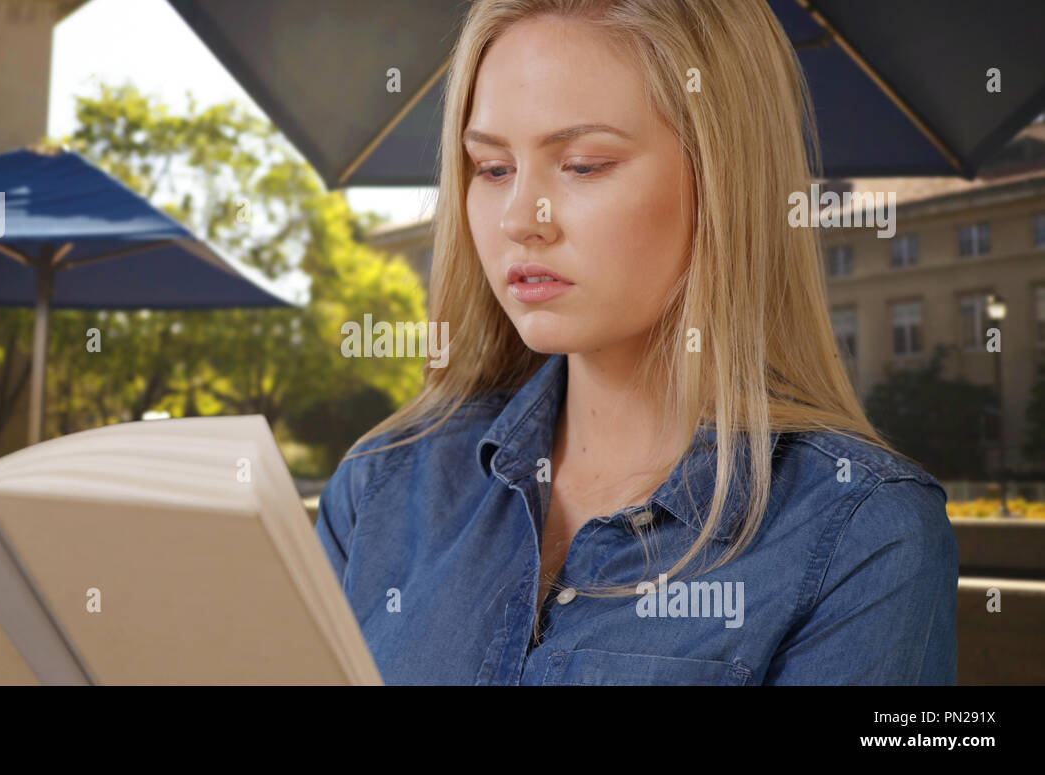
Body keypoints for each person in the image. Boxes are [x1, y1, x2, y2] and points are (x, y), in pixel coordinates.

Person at [315, 0, 957, 685]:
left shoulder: (866, 534)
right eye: (492, 168)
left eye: (584, 164)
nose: (519, 220)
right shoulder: (378, 483)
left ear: (723, 177)